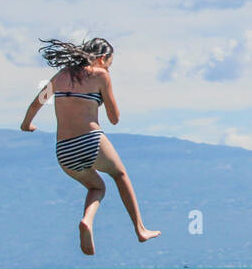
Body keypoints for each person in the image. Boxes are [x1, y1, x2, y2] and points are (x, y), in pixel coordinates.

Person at [20, 37, 160, 254]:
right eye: (109, 64)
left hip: (64, 151)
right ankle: (140, 229)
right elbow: (114, 118)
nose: (108, 69)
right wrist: (101, 94)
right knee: (120, 175)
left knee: (97, 187)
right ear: (102, 59)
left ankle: (87, 220)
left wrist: (26, 125)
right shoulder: (100, 75)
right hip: (90, 140)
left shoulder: (61, 76)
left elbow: (36, 103)